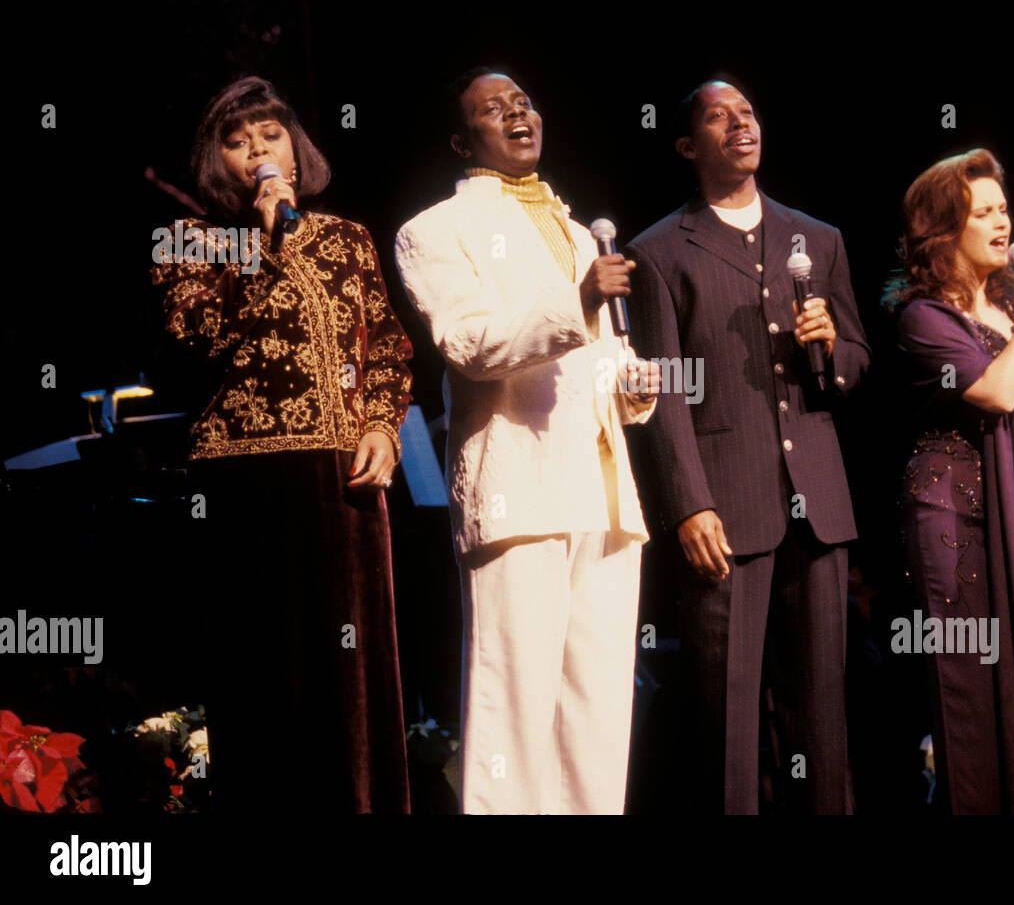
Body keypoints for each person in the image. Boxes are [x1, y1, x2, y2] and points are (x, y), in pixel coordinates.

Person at [394, 68, 661, 815]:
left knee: (597, 718)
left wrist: (633, 385)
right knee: (513, 714)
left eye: (523, 101)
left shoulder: (577, 232)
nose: (516, 113)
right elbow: (471, 344)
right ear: (460, 138)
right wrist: (577, 299)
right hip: (517, 489)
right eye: (491, 108)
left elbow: (595, 358)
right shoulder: (432, 230)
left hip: (603, 498)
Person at [149, 76, 414, 813]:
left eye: (269, 136)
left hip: (347, 481)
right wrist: (266, 240)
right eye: (237, 142)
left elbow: (388, 345)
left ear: (296, 150)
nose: (257, 151)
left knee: (356, 679)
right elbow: (197, 337)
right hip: (251, 484)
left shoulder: (350, 239)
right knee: (270, 673)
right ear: (216, 163)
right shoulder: (191, 242)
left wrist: (382, 430)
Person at [625, 80, 870, 814]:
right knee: (725, 718)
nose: (740, 123)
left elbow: (857, 358)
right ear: (686, 145)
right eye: (717, 116)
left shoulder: (816, 239)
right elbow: (663, 391)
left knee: (821, 717)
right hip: (725, 510)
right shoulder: (660, 252)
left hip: (817, 503)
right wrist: (687, 505)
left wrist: (835, 351)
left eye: (749, 111)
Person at [889, 147, 1014, 814]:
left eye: (1005, 209)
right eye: (985, 212)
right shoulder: (923, 316)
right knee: (970, 686)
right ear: (946, 230)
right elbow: (995, 393)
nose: (1004, 223)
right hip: (952, 518)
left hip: (1010, 510)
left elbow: (1011, 396)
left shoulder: (1000, 308)